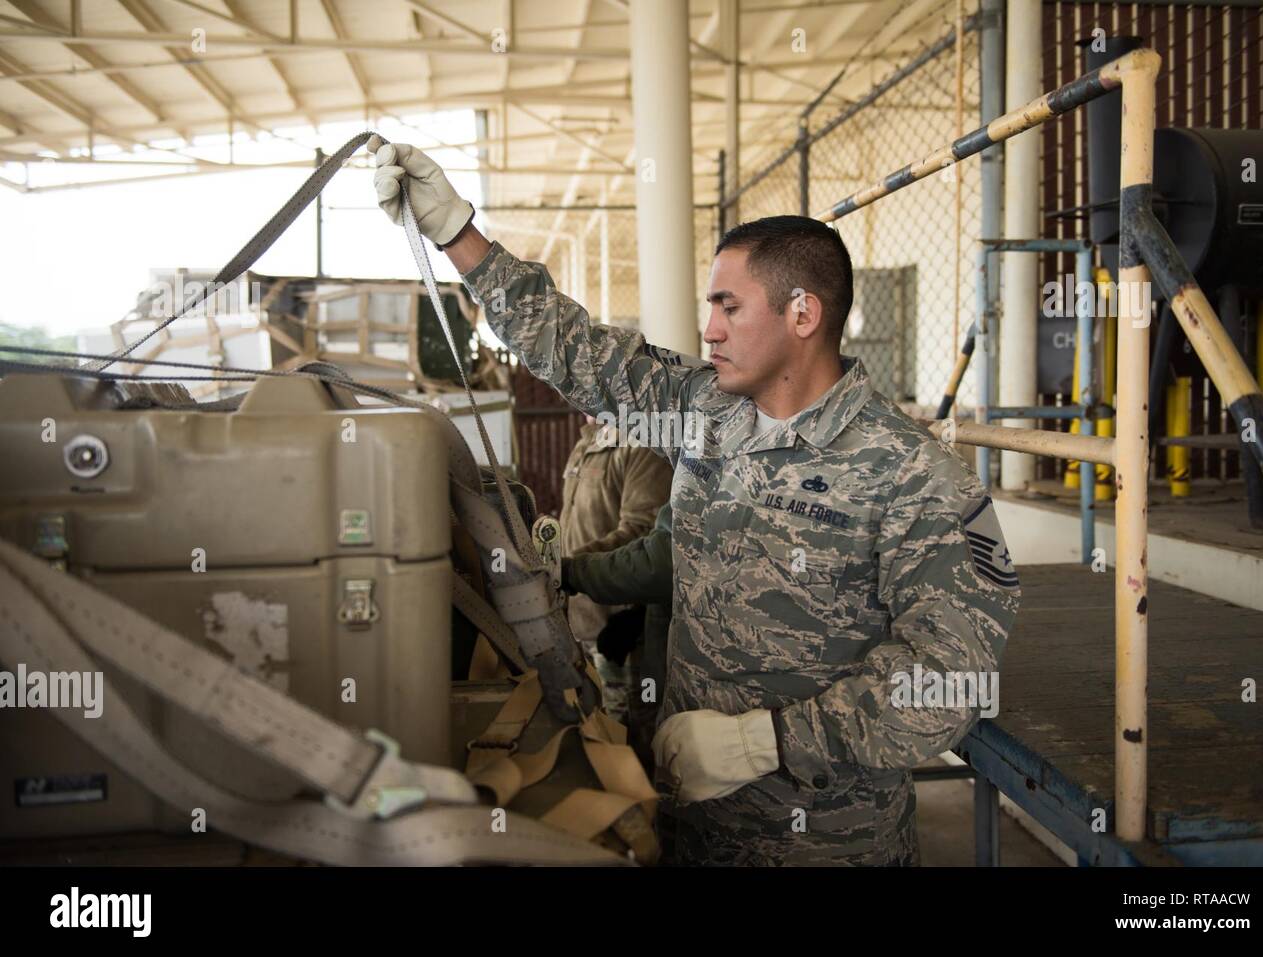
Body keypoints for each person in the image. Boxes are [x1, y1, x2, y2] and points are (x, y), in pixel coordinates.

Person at [370, 138, 1020, 866]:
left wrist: (767, 740)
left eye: (728, 306)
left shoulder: (917, 475)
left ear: (802, 313)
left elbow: (953, 675)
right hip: (695, 821)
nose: (709, 327)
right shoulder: (704, 409)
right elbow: (580, 350)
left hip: (829, 844)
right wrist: (460, 234)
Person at [563, 501, 674, 770]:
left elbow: (659, 558)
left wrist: (570, 571)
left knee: (643, 731)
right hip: (598, 618)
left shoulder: (658, 459)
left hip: (621, 621)